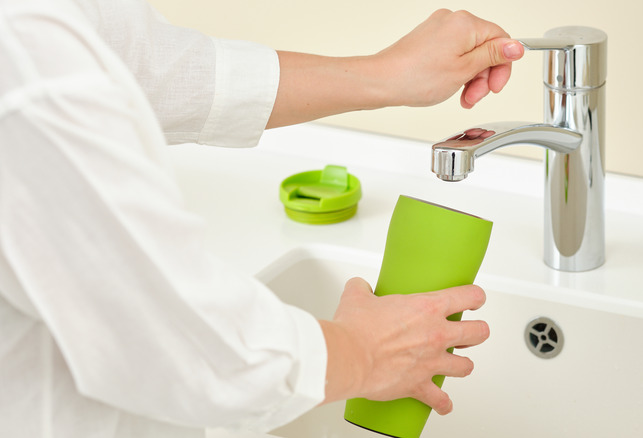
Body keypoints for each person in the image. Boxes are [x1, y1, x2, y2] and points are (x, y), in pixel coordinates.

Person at [0, 0, 524, 436]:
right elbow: (188, 347)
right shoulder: (24, 70)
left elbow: (141, 65)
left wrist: (386, 75)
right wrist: (365, 353)